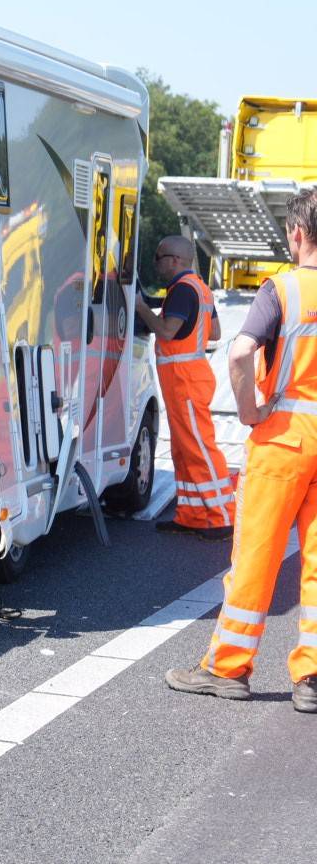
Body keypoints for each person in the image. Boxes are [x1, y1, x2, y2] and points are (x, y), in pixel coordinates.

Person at [165, 187, 317, 712]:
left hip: (282, 440)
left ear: (296, 233)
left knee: (256, 555)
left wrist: (250, 411)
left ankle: (227, 669)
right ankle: (312, 678)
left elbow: (240, 352)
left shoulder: (283, 289)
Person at [134, 235, 232, 538]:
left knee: (199, 448)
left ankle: (222, 517)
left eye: (159, 257)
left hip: (185, 380)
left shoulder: (181, 291)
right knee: (183, 448)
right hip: (189, 378)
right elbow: (214, 332)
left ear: (175, 260)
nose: (155, 263)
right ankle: (191, 516)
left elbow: (166, 331)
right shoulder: (199, 288)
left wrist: (140, 307)